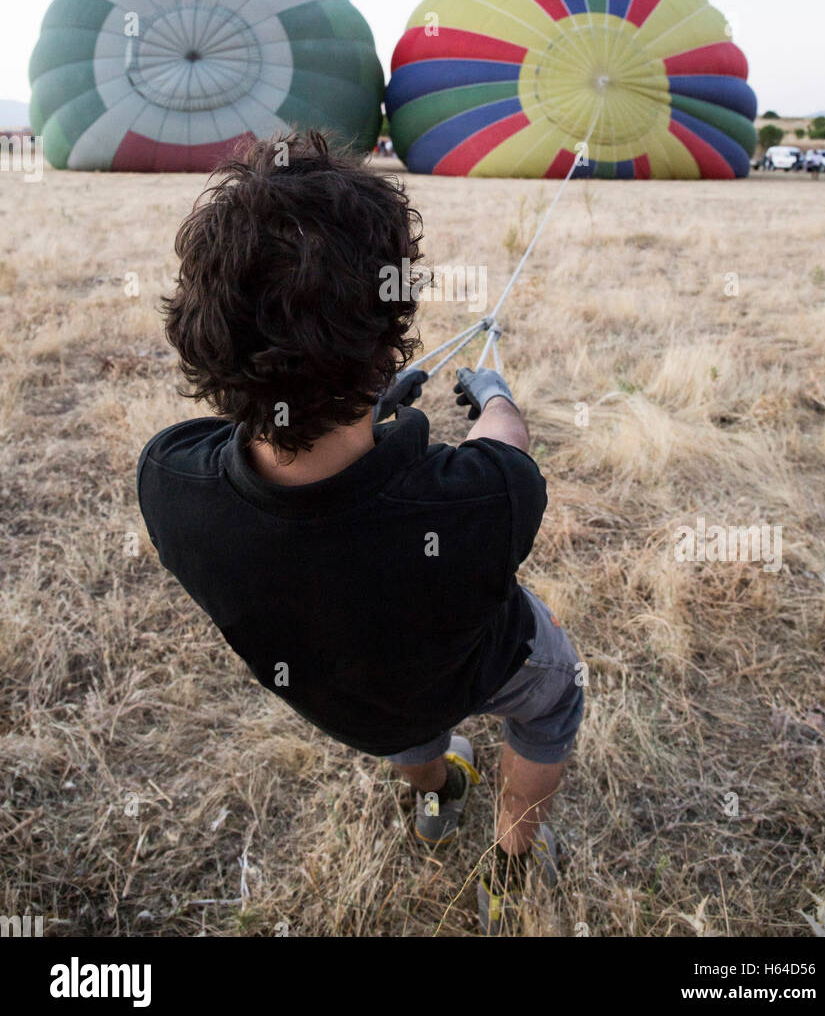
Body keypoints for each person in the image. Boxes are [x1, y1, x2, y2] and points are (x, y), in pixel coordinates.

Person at [137, 130, 584, 935]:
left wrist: (371, 402)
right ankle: (514, 858)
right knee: (553, 692)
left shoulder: (168, 477)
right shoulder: (478, 502)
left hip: (351, 707)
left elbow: (290, 457)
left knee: (409, 721)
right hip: (478, 667)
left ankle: (436, 792)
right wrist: (493, 394)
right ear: (389, 334)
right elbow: (503, 449)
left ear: (200, 330)